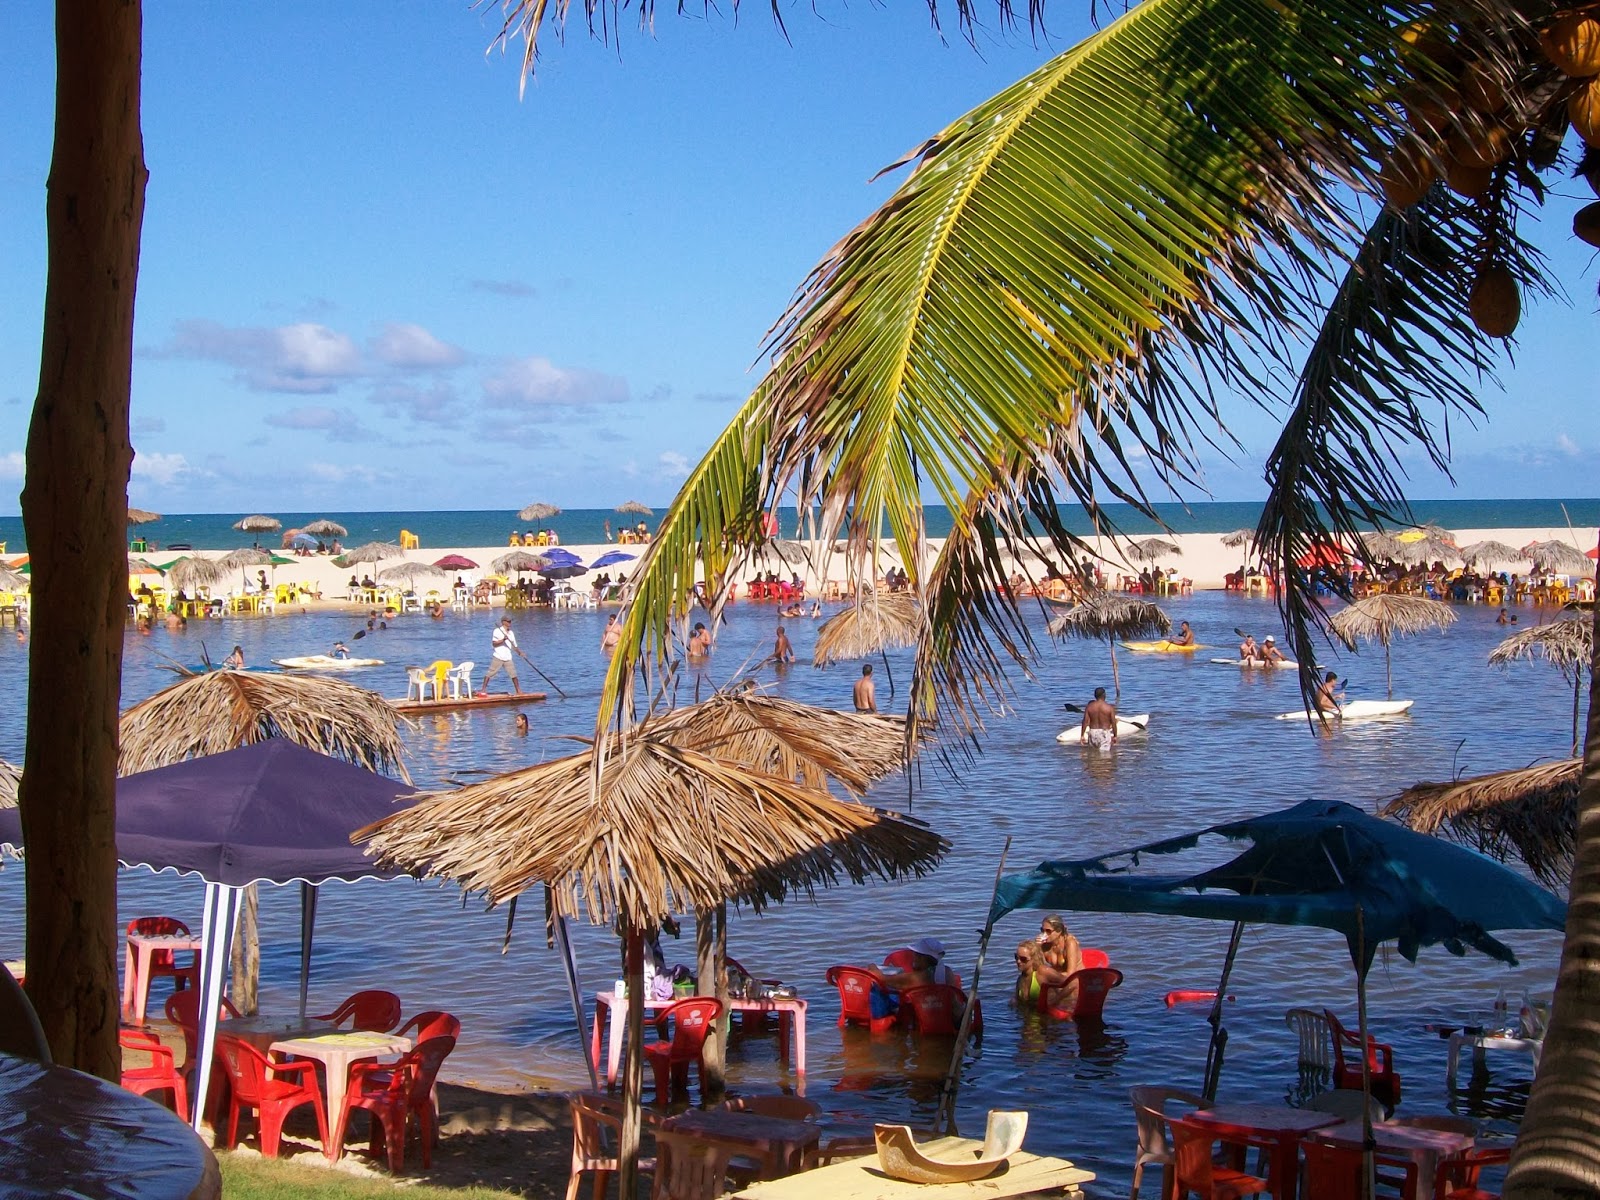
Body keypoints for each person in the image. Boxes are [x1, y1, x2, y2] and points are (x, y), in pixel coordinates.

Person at [1013, 940, 1078, 1013]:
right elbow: (1018, 1000)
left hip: (1050, 1013)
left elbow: (1073, 983)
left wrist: (1054, 1001)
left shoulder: (1043, 972)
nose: (1018, 961)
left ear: (1034, 959)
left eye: (1023, 959)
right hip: (1033, 1014)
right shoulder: (1020, 979)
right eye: (1016, 957)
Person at [480, 616, 527, 696]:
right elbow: (494, 644)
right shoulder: (497, 631)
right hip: (498, 656)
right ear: (503, 622)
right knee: (490, 673)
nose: (510, 623)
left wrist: (520, 652)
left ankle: (518, 691)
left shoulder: (511, 633)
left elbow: (514, 646)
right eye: (508, 621)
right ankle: (483, 690)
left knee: (514, 674)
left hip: (508, 657)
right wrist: (503, 640)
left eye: (510, 621)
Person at [1037, 914, 1084, 979]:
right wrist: (1036, 948)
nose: (1044, 934)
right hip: (1059, 978)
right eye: (1042, 930)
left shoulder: (1069, 943)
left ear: (1059, 931)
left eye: (1048, 931)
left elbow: (1071, 973)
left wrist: (1048, 977)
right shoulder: (1044, 945)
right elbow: (1036, 968)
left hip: (1076, 979)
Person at [1080, 686, 1117, 751]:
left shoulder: (1089, 707)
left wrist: (1082, 735)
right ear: (1104, 695)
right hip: (1104, 732)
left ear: (1095, 696)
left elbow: (1085, 722)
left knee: (1093, 755)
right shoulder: (1109, 707)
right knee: (1104, 756)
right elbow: (1113, 722)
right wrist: (1115, 736)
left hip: (1092, 732)